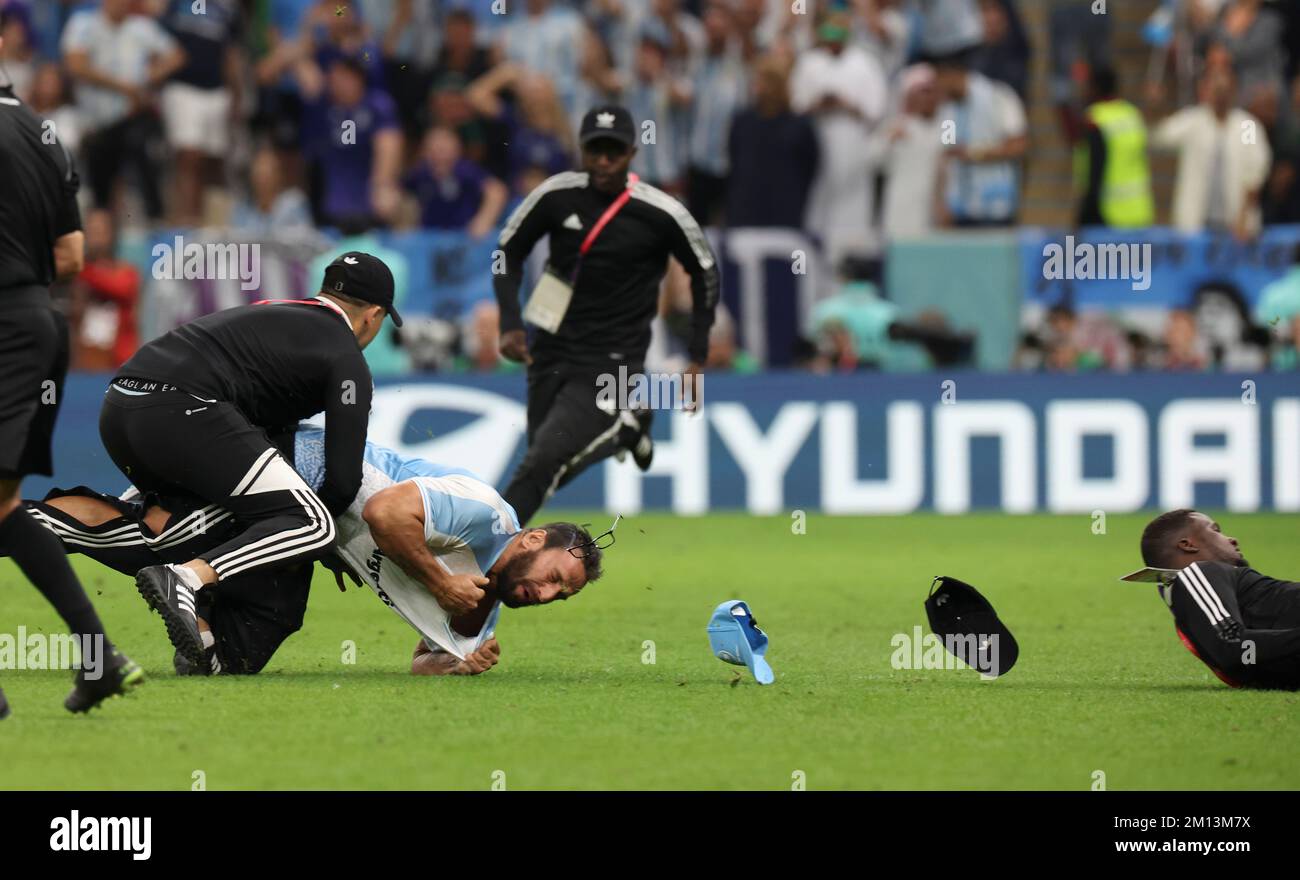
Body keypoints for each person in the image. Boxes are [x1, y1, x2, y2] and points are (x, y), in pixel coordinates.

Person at [22, 427, 607, 677]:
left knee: (243, 651)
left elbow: (422, 659)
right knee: (160, 540)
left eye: (562, 595)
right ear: (532, 540)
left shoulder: (485, 605)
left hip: (314, 533)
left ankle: (193, 617)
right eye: (556, 575)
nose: (548, 593)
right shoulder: (488, 513)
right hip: (304, 470)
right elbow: (384, 513)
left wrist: (456, 660)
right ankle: (31, 523)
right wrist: (435, 581)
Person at [97, 252, 410, 670]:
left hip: (119, 404)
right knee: (312, 523)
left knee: (198, 515)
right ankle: (187, 579)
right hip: (183, 412)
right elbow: (341, 482)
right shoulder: (347, 360)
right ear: (373, 315)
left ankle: (41, 525)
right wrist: (318, 546)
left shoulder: (271, 311)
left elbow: (256, 431)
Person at [0, 36, 142, 716]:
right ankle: (99, 659)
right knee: (2, 507)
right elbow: (72, 254)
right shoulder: (42, 133)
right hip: (40, 324)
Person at [494, 104, 720, 524]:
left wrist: (697, 353)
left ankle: (481, 559)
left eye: (612, 152)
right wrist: (510, 322)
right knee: (543, 466)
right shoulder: (555, 194)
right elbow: (507, 251)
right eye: (594, 150)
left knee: (542, 463)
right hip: (549, 348)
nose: (602, 161)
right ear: (580, 149)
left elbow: (704, 271)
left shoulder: (660, 212)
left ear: (632, 152)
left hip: (614, 359)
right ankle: (628, 428)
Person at [1137, 509, 1300, 689]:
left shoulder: (1196, 602)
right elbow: (1231, 647)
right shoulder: (1197, 572)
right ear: (1187, 544)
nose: (1232, 539)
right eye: (1215, 530)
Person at [1076, 67, 1154, 229]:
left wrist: (1085, 213)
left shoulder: (1095, 119)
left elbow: (1095, 169)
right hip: (1140, 212)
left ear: (1094, 88)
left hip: (1108, 215)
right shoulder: (1133, 115)